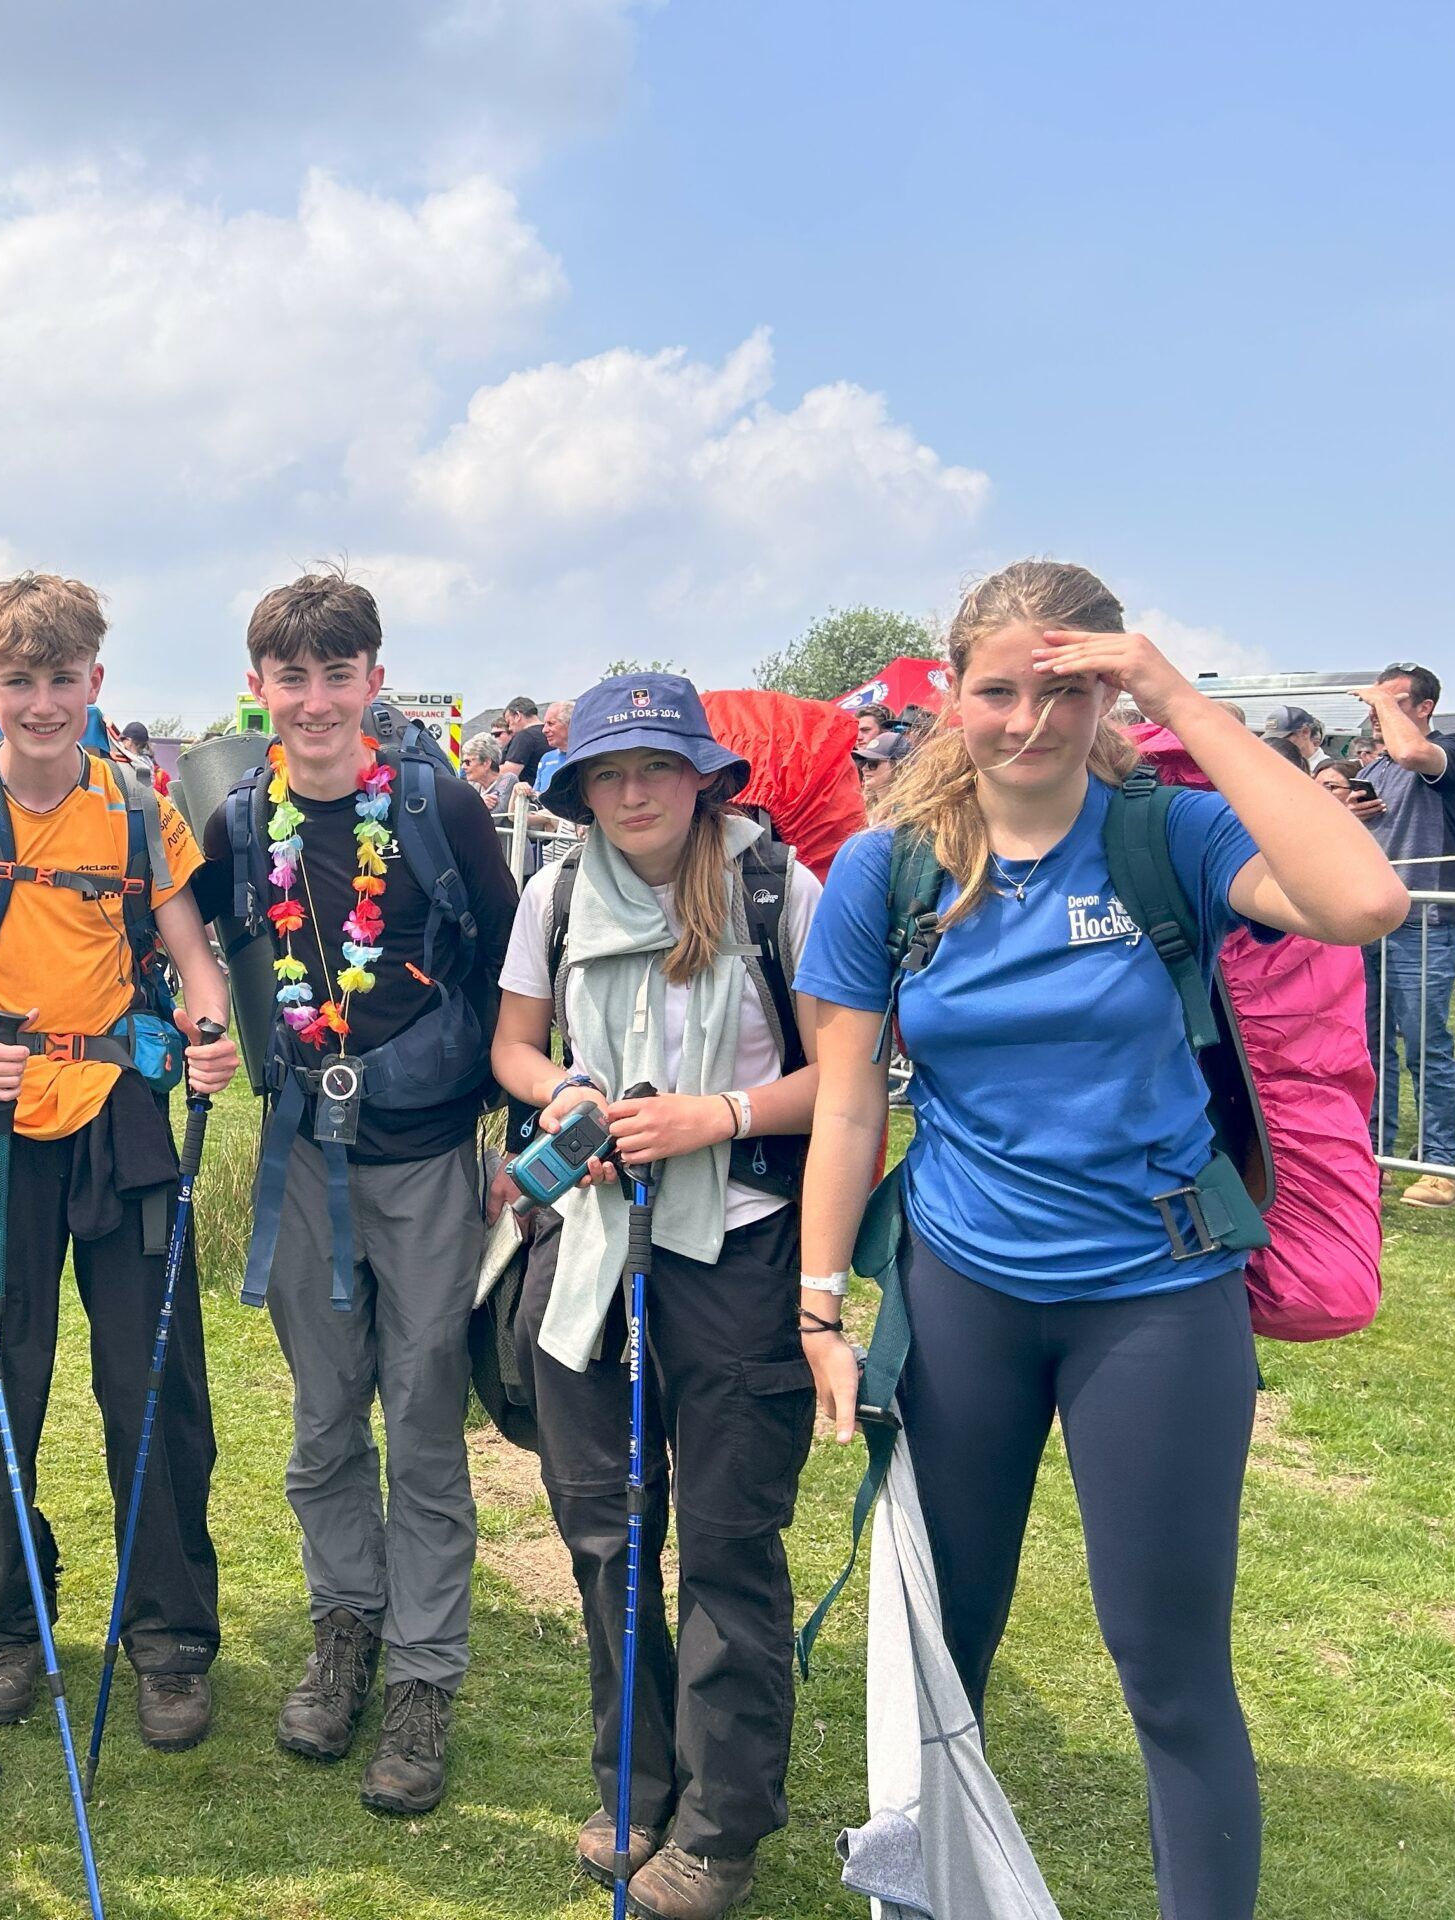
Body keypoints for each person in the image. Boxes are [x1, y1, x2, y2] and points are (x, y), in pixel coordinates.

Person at [793, 561, 1405, 1920]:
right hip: (961, 1297)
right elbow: (845, 1108)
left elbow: (1366, 903)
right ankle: (927, 1901)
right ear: (949, 698)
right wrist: (821, 1307)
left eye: (1064, 689)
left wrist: (1171, 687)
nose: (1029, 721)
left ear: (1105, 689)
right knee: (942, 1653)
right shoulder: (885, 874)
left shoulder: (1166, 838)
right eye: (998, 690)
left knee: (1171, 1669)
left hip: (1159, 1301)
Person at [0, 573, 239, 1752]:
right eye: (18, 681)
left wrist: (209, 1025)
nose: (41, 703)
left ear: (95, 683)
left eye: (62, 679)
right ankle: (5, 1621)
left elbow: (194, 951)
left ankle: (170, 1637)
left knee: (153, 1383)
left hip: (124, 1117)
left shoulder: (138, 810)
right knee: (1, 1382)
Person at [491, 672, 824, 1915]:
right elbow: (515, 1044)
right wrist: (559, 1094)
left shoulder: (777, 889)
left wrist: (716, 1115)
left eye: (654, 768)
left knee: (730, 1544)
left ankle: (722, 1825)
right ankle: (632, 1785)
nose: (632, 793)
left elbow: (845, 1078)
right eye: (606, 774)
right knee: (604, 1534)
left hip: (735, 1247)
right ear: (576, 790)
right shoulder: (556, 891)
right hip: (589, 1249)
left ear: (703, 777)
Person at [189, 572, 520, 1816]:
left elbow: (512, 970)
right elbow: (211, 959)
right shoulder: (232, 824)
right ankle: (346, 1633)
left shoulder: (441, 807)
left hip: (432, 1165)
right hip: (300, 1169)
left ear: (375, 679)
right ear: (260, 685)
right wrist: (210, 1029)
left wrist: (516, 1144)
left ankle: (426, 1677)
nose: (316, 700)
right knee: (324, 1427)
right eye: (292, 677)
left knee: (424, 1430)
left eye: (340, 674)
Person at [1341, 661, 1455, 1206]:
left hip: (1425, 923)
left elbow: (1415, 754)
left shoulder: (1454, 752)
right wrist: (1355, 811)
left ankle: (1442, 1166)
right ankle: (1377, 1157)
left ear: (1425, 709)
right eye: (1374, 704)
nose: (1377, 713)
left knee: (1426, 1046)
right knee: (1371, 1048)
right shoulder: (1383, 765)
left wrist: (1384, 705)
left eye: (1394, 703)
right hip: (1374, 920)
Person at [1255, 704, 1330, 772]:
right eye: (1270, 739)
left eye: (1282, 738)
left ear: (1305, 732)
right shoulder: (1271, 764)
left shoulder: (1327, 772)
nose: (1274, 743)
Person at [501, 698, 553, 787]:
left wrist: (484, 770)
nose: (509, 728)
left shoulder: (524, 737)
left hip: (530, 795)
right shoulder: (552, 733)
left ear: (517, 716)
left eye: (509, 722)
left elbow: (509, 773)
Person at [853, 727, 912, 803]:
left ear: (899, 765)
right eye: (862, 762)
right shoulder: (864, 807)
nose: (864, 768)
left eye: (873, 762)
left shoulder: (908, 808)